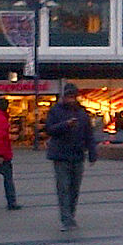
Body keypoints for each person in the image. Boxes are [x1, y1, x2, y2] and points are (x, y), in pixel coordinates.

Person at [42, 84, 99, 230]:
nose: (71, 99)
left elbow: (89, 134)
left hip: (78, 155)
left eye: (73, 96)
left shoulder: (82, 113)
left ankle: (71, 215)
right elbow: (49, 129)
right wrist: (65, 125)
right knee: (63, 188)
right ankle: (66, 219)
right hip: (60, 156)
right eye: (68, 96)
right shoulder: (55, 111)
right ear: (63, 96)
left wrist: (92, 153)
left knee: (74, 189)